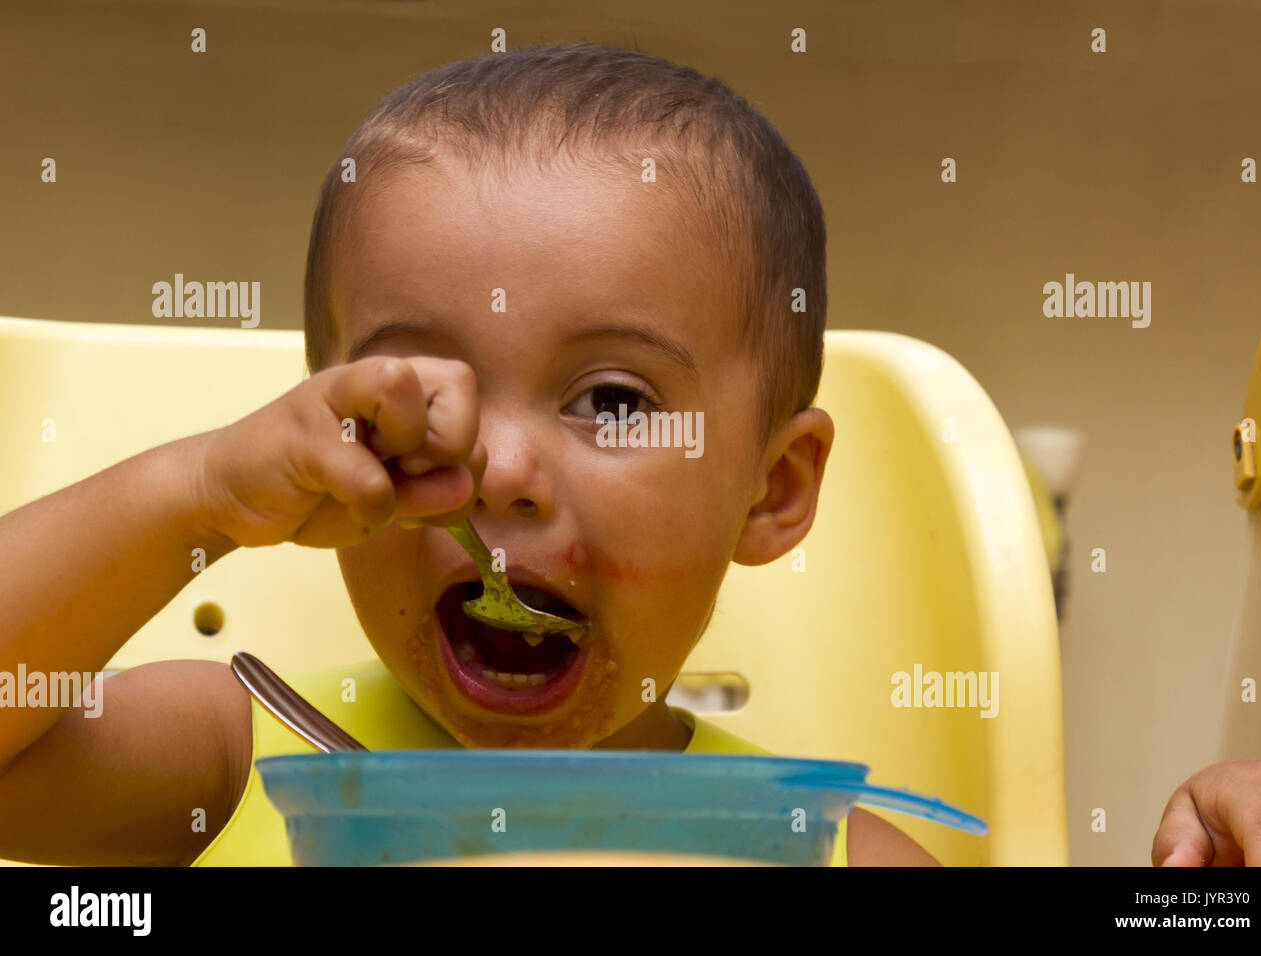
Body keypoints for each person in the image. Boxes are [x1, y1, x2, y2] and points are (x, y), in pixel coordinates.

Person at [0, 42, 937, 866]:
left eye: (612, 401)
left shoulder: (832, 850)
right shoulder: (238, 761)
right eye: (416, 398)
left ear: (771, 491)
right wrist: (194, 496)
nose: (499, 470)